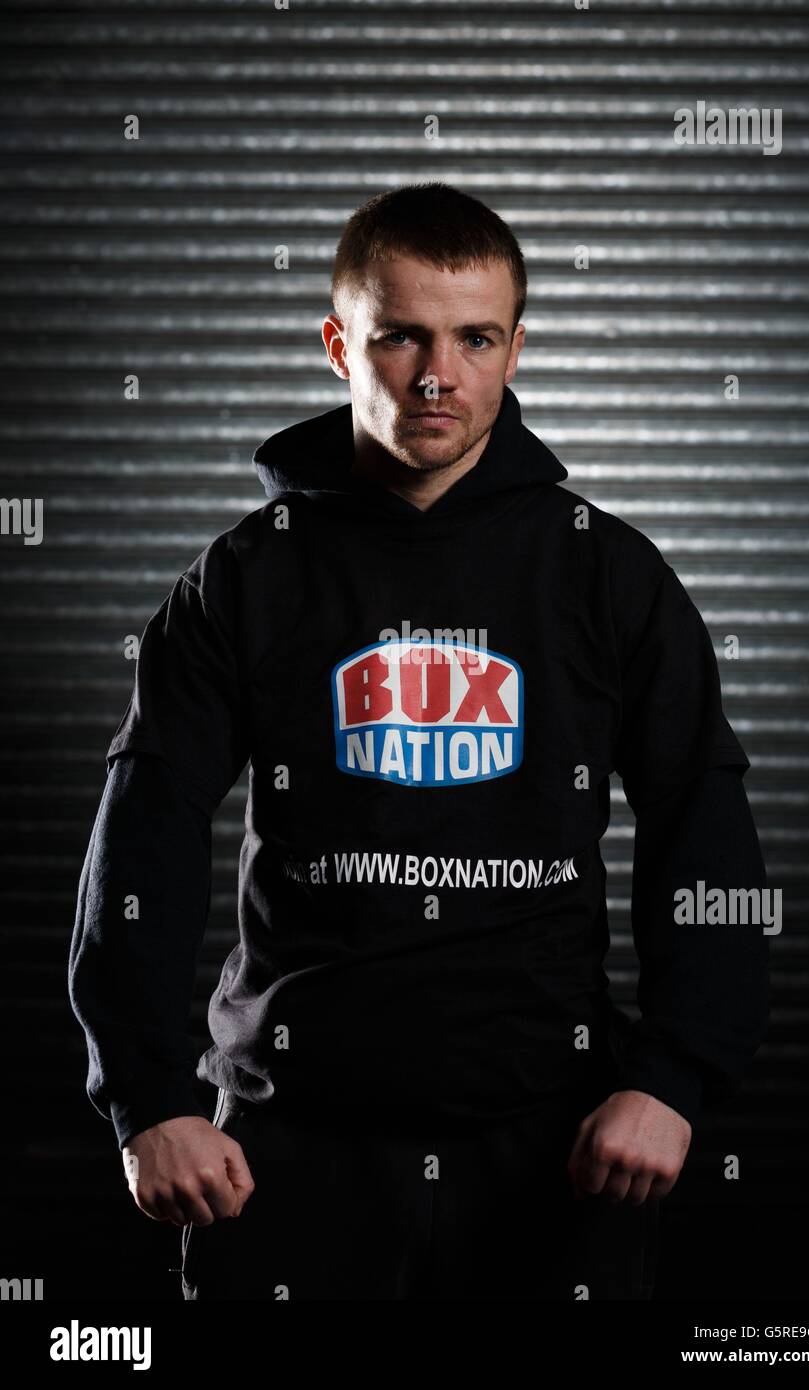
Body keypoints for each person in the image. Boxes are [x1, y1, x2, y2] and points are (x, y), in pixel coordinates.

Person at [68, 181, 770, 1301]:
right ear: (339, 342)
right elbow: (141, 838)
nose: (436, 374)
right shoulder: (246, 579)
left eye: (473, 337)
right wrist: (146, 1098)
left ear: (514, 347)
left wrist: (675, 1079)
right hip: (285, 1148)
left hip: (557, 1146)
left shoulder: (606, 574)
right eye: (400, 335)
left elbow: (705, 831)